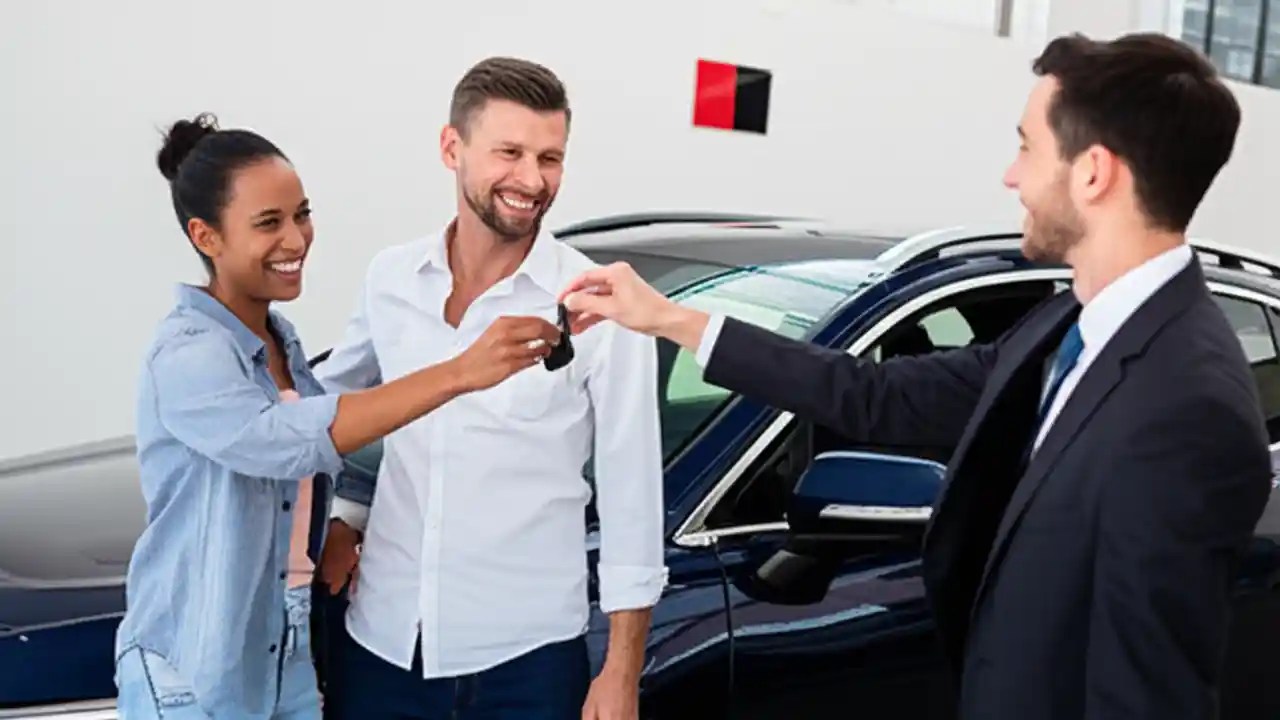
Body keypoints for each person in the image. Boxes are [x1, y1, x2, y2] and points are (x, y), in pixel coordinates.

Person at [559, 33, 1273, 720]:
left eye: (1027, 146)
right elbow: (873, 395)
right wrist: (672, 321)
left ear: (1093, 172)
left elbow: (1146, 695)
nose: (1011, 175)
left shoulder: (1190, 406)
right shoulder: (1064, 326)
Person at [114, 113, 562, 720]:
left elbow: (314, 461)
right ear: (206, 236)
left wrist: (342, 521)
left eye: (301, 214)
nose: (296, 240)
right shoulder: (189, 353)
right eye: (268, 223)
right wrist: (461, 371)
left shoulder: (281, 341)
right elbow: (286, 442)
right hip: (196, 674)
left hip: (286, 662)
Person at [311, 56, 665, 720]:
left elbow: (632, 503)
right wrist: (343, 514)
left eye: (550, 158)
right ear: (453, 147)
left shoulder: (598, 307)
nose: (532, 180)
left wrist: (622, 670)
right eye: (510, 152)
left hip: (525, 666)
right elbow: (328, 412)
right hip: (381, 644)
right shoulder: (391, 279)